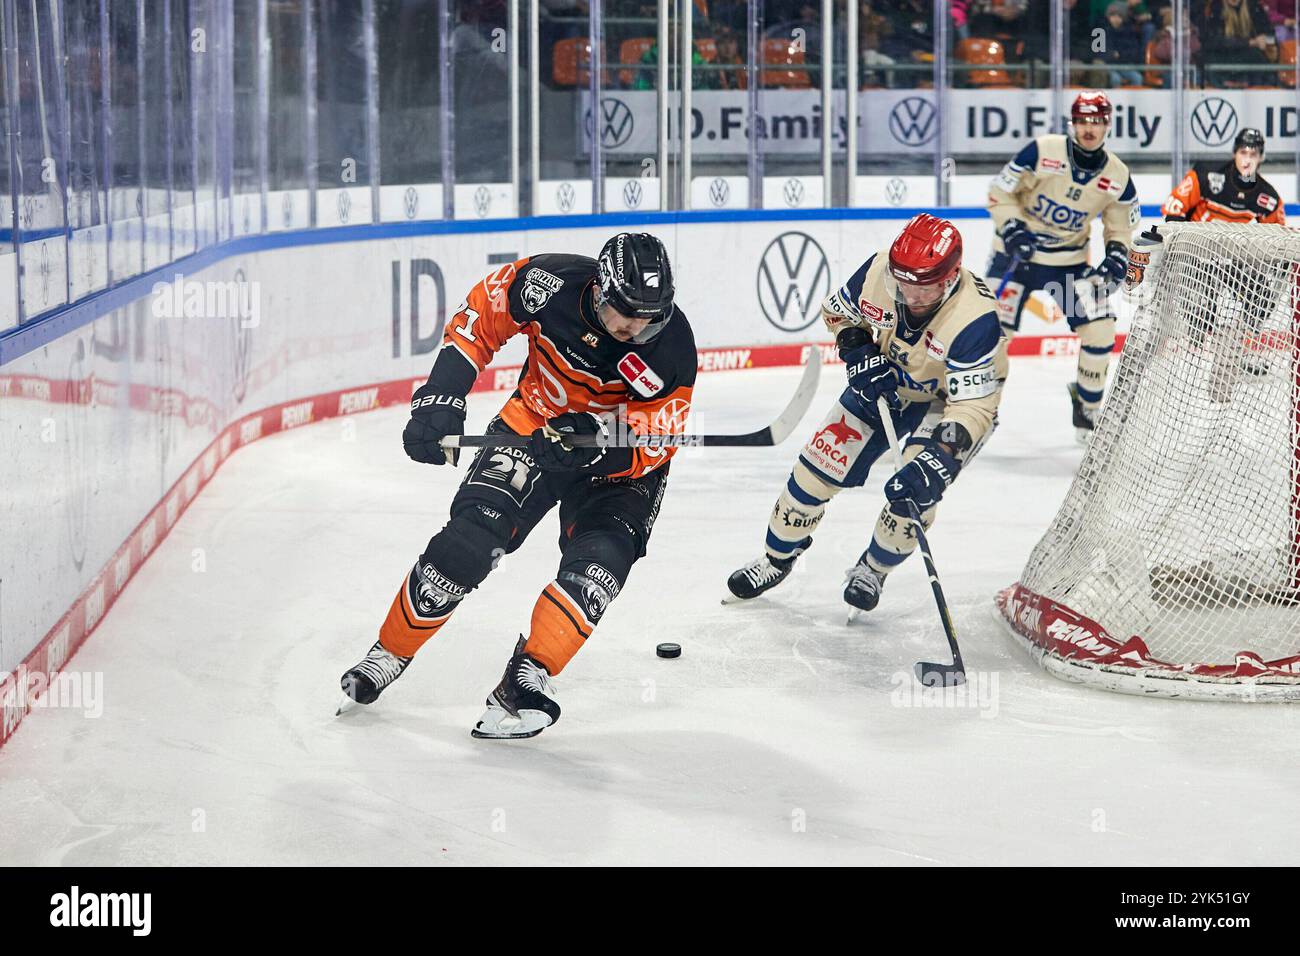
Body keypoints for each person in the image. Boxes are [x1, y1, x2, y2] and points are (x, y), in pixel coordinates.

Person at [339, 233, 697, 739]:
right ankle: (389, 652)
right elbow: (478, 318)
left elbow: (660, 438)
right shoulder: (547, 282)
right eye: (629, 314)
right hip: (533, 428)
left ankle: (528, 675)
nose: (639, 328)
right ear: (601, 290)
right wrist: (441, 394)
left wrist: (603, 446)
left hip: (616, 460)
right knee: (469, 540)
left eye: (650, 316)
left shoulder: (673, 346)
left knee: (601, 563)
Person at [725, 215, 1007, 615]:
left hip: (946, 403)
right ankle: (775, 559)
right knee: (814, 472)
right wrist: (856, 347)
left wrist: (940, 459)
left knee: (913, 497)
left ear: (950, 278)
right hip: (885, 382)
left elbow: (975, 406)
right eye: (902, 284)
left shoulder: (976, 318)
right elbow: (839, 313)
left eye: (922, 288)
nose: (909, 296)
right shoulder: (879, 269)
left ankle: (873, 570)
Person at [986, 90, 1139, 440]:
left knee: (1100, 329)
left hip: (1066, 266)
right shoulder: (1042, 151)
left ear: (1107, 126)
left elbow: (1121, 225)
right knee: (992, 335)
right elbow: (1000, 191)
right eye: (1083, 121)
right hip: (1016, 258)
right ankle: (980, 407)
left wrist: (1116, 255)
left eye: (1096, 122)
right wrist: (1012, 229)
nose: (1089, 129)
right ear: (1072, 123)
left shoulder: (1117, 174)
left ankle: (1087, 406)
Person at [1163, 128, 1284, 224]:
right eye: (1243, 153)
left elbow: (1278, 241)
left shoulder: (1270, 199)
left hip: (1233, 254)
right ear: (1234, 154)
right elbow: (1173, 208)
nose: (1247, 160)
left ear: (1260, 158)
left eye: (1253, 155)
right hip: (1194, 250)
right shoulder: (1204, 174)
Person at [1197, 0, 1278, 88]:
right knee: (1208, 59)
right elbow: (1213, 41)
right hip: (1221, 57)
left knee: (1261, 59)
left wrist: (1265, 39)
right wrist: (1249, 42)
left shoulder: (1253, 6)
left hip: (1248, 56)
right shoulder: (1215, 7)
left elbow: (1271, 36)